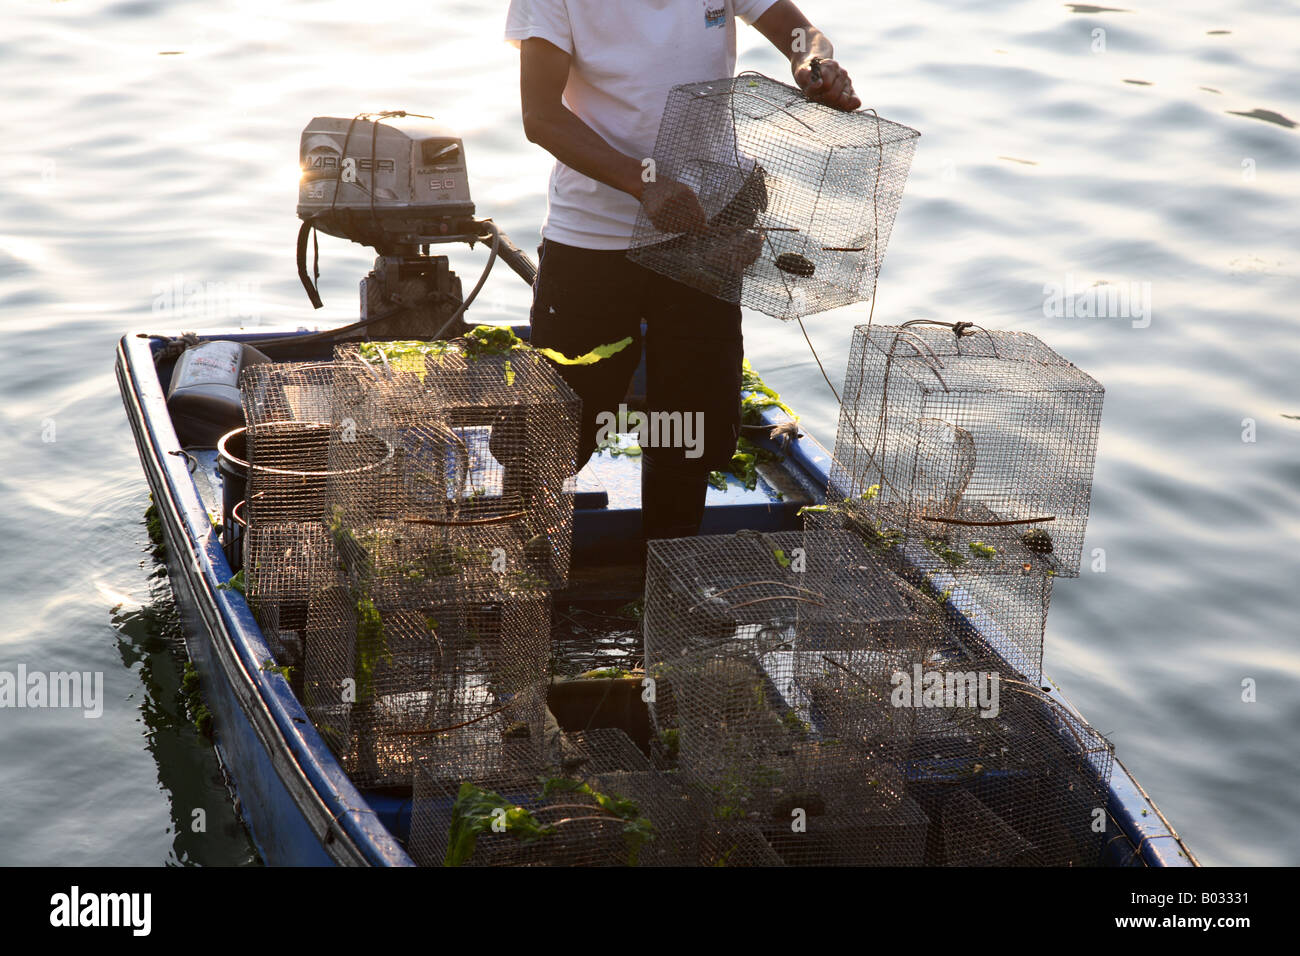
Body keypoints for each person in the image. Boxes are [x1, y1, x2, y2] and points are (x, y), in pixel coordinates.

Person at [505, 1, 860, 547]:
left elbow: (799, 33)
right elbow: (541, 117)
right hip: (594, 239)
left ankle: (667, 583)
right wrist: (643, 184)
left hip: (707, 235)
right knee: (558, 427)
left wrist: (810, 63)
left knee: (688, 436)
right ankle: (519, 572)